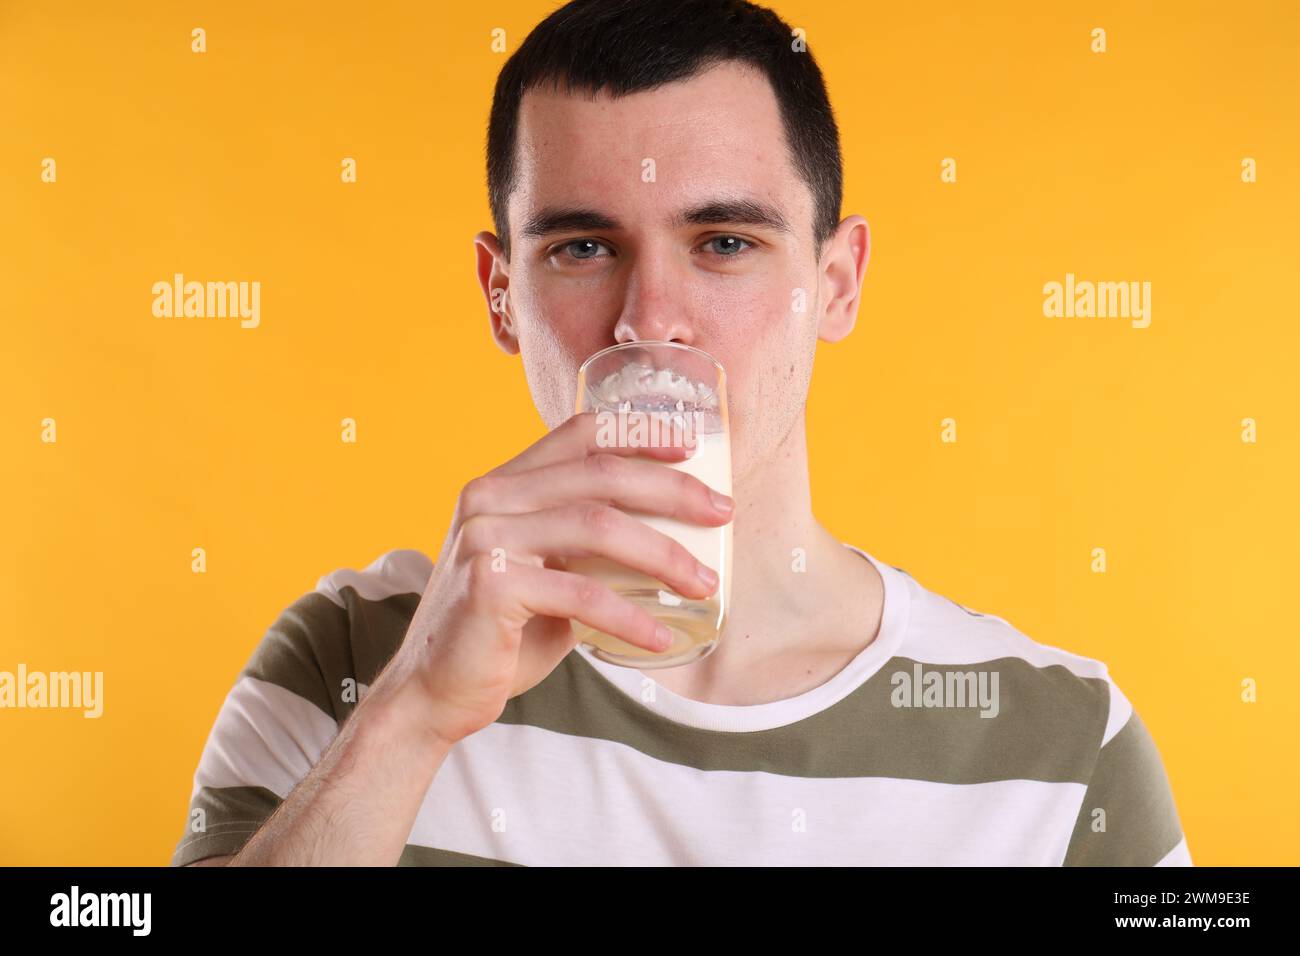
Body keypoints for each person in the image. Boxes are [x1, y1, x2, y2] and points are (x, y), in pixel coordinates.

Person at [171, 0, 1191, 866]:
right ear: (500, 296)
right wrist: (410, 716)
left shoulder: (1065, 750)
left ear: (834, 285)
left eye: (725, 242)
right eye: (580, 246)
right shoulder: (347, 663)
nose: (648, 318)